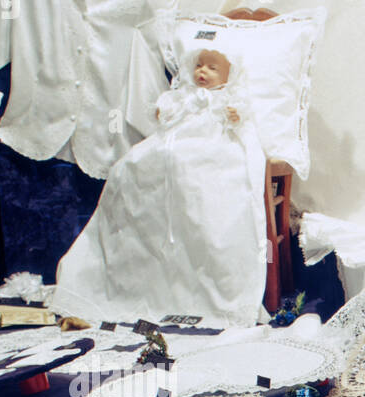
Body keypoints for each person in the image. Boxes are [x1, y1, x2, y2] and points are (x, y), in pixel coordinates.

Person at [50, 49, 267, 328]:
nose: (202, 72)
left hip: (211, 147)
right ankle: (124, 269)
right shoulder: (186, 95)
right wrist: (165, 109)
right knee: (129, 166)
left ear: (228, 75)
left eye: (212, 68)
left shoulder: (227, 98)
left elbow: (242, 120)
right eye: (199, 66)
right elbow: (165, 114)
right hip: (170, 145)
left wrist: (234, 114)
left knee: (196, 172)